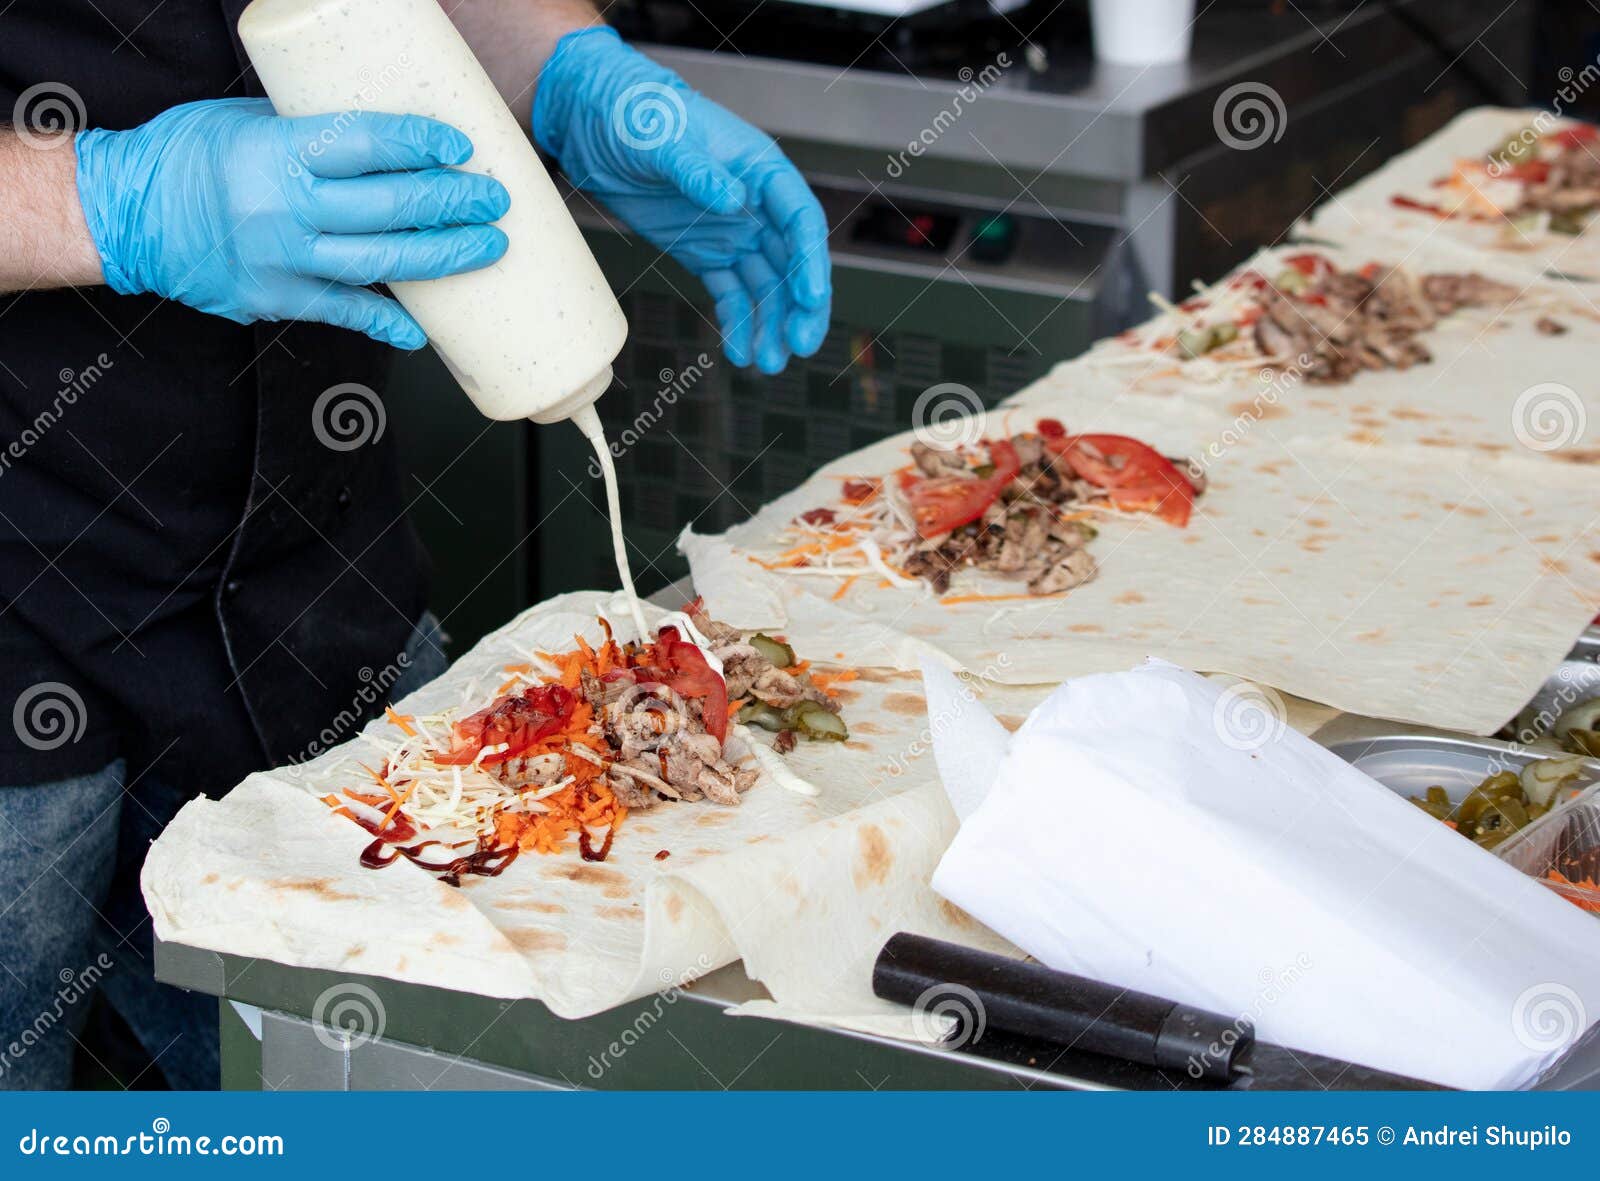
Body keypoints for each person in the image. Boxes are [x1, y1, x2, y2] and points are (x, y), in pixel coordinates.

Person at [0, 0, 831, 1091]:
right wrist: (104, 203)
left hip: (318, 585)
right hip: (20, 607)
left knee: (413, 1093)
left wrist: (563, 69)